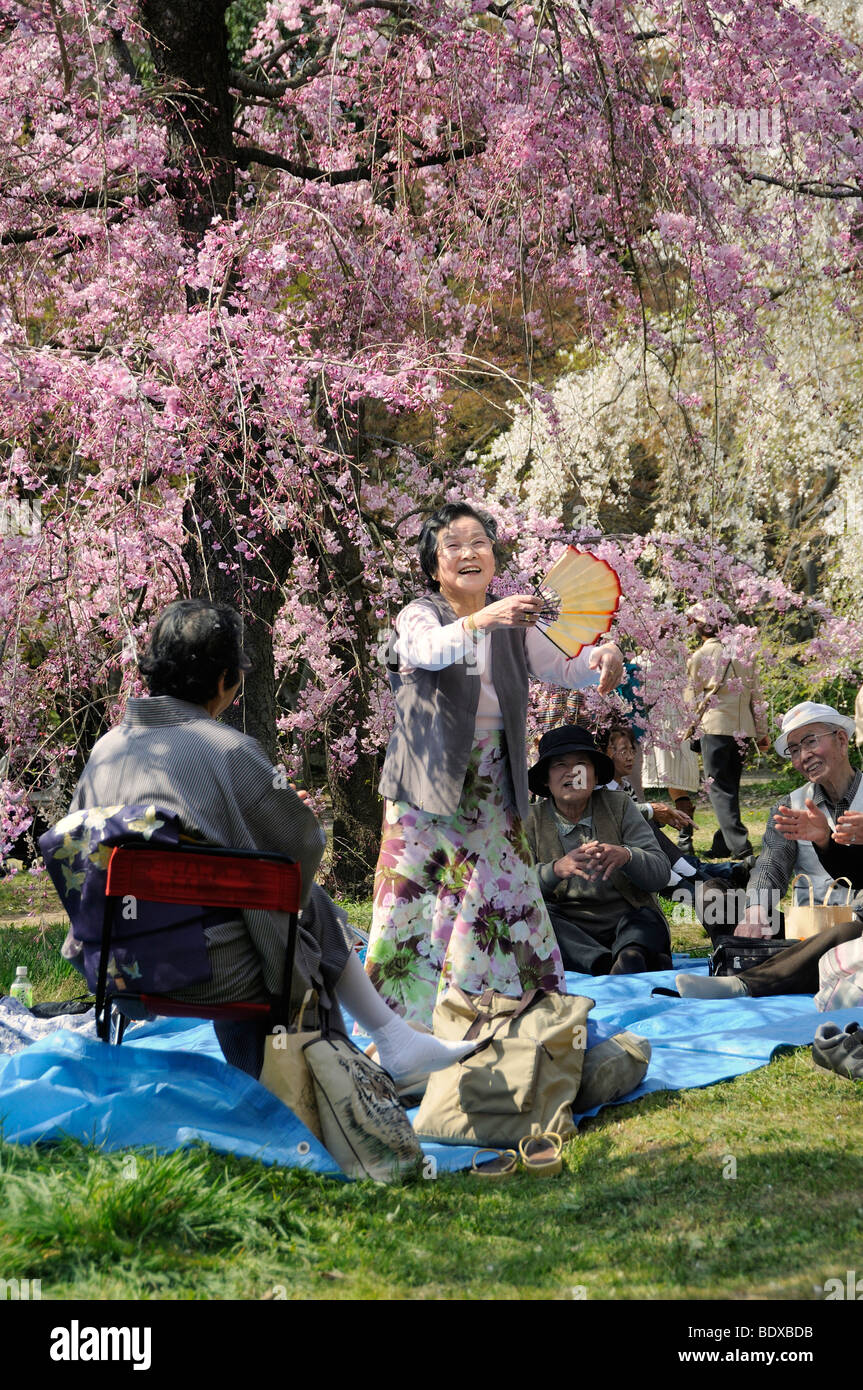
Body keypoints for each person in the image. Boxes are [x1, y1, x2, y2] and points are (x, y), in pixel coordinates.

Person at [61, 600, 473, 1086]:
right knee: (294, 910)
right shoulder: (232, 750)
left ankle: (390, 1043)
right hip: (217, 973)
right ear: (223, 680)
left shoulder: (103, 751)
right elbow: (304, 846)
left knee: (262, 903)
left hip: (120, 963)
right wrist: (293, 813)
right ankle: (361, 1066)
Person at [365, 503, 624, 1026]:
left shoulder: (513, 622)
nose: (468, 553)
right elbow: (426, 651)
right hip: (425, 786)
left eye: (478, 542)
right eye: (453, 546)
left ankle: (519, 1016)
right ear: (433, 565)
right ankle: (401, 1030)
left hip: (493, 781)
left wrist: (601, 657)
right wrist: (481, 619)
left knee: (508, 897)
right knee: (412, 906)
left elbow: (564, 669)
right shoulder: (420, 613)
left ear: (493, 555)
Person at [676, 700, 863, 999]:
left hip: (855, 933)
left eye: (810, 741)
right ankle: (767, 961)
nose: (804, 755)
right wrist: (756, 910)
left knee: (847, 934)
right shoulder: (790, 805)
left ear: (841, 739)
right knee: (712, 895)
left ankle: (745, 981)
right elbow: (771, 864)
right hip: (801, 930)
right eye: (795, 749)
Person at [524, 725, 672, 975]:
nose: (573, 772)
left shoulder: (620, 805)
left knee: (647, 919)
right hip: (571, 931)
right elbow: (517, 887)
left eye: (581, 763)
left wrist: (627, 855)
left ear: (594, 775)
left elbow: (660, 873)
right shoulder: (531, 820)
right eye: (560, 765)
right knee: (536, 919)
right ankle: (605, 964)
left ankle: (630, 956)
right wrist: (556, 870)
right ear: (546, 780)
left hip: (625, 921)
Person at [602, 725, 746, 906]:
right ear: (607, 753)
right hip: (633, 856)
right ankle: (718, 881)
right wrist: (655, 812)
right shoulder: (602, 790)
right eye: (623, 752)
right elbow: (622, 817)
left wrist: (662, 816)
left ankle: (714, 880)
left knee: (687, 867)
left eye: (633, 750)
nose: (631, 757)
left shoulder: (625, 786)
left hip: (653, 850)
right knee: (686, 873)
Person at [684, 602, 770, 858]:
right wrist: (762, 731)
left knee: (719, 788)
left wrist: (689, 730)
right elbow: (757, 695)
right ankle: (723, 844)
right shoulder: (744, 654)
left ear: (701, 627)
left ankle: (741, 847)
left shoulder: (699, 656)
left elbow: (690, 699)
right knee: (730, 786)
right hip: (743, 729)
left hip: (715, 727)